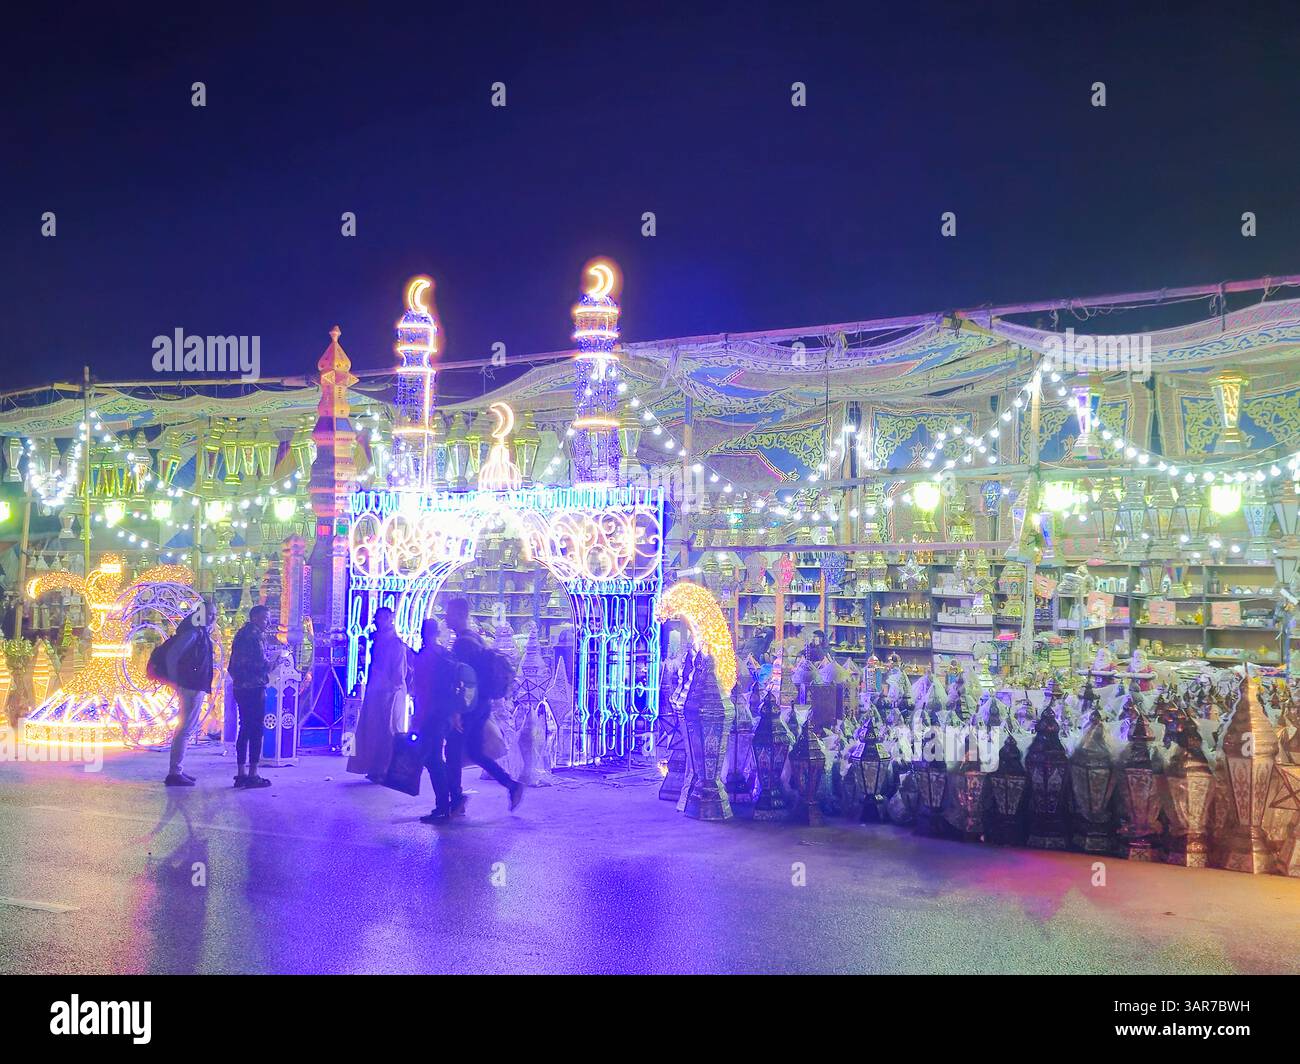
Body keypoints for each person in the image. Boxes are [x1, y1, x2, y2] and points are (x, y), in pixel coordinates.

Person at [444, 597, 525, 813]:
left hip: (469, 706)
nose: (445, 617)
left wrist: (457, 711)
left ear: (460, 614)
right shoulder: (476, 639)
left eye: (449, 613)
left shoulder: (463, 643)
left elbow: (462, 680)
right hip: (481, 703)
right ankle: (511, 785)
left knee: (452, 751)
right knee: (476, 752)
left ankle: (456, 799)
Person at [410, 618, 475, 823]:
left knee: (432, 759)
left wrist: (417, 717)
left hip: (431, 714)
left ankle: (443, 806)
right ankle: (455, 798)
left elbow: (421, 690)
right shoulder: (446, 655)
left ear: (422, 633)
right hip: (447, 712)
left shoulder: (423, 658)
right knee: (443, 757)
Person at [347, 606, 409, 781]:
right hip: (376, 691)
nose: (379, 621)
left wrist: (392, 690)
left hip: (388, 693)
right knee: (373, 730)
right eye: (378, 617)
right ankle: (374, 767)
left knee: (387, 731)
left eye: (383, 618)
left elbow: (398, 673)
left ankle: (385, 769)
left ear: (390, 619)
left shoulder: (395, 644)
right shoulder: (378, 640)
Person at [163, 596, 216, 787]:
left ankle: (178, 770)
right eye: (208, 614)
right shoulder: (193, 633)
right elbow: (173, 655)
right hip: (191, 686)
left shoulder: (199, 632)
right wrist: (176, 680)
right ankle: (175, 772)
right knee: (184, 729)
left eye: (214, 615)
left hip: (195, 684)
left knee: (186, 728)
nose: (212, 618)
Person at [227, 604, 278, 789]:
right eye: (265, 618)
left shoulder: (240, 634)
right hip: (255, 688)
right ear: (255, 618)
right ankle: (253, 773)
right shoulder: (256, 636)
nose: (268, 622)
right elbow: (261, 664)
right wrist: (277, 660)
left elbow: (232, 665)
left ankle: (241, 773)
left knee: (244, 728)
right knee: (256, 729)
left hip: (240, 687)